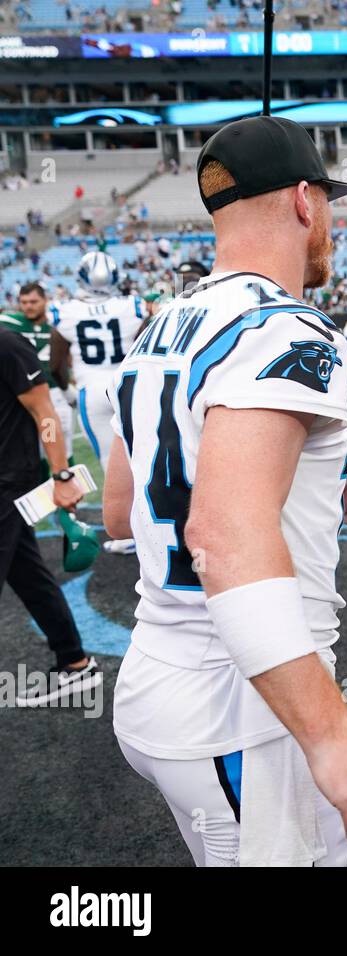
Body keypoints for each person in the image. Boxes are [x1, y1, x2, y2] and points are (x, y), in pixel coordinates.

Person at [105, 115, 347, 867]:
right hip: (241, 703)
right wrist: (330, 731)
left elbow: (125, 509)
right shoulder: (285, 327)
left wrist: (306, 483)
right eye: (330, 203)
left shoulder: (162, 323)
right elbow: (222, 536)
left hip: (164, 671)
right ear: (303, 201)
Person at [0, 327, 100, 707]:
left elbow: (44, 411)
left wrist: (61, 475)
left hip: (8, 483)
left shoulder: (7, 343)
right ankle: (75, 662)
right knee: (28, 576)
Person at [49, 252, 146, 555]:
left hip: (91, 390)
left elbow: (55, 363)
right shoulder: (134, 306)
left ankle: (127, 531)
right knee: (144, 453)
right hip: (130, 385)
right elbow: (146, 344)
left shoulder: (64, 311)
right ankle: (153, 522)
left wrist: (66, 390)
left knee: (109, 460)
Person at [1, 282, 73, 462]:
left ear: (45, 300)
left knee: (63, 448)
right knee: (35, 452)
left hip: (55, 396)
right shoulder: (10, 323)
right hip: (27, 397)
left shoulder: (59, 323)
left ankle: (69, 485)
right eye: (23, 302)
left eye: (33, 301)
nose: (28, 306)